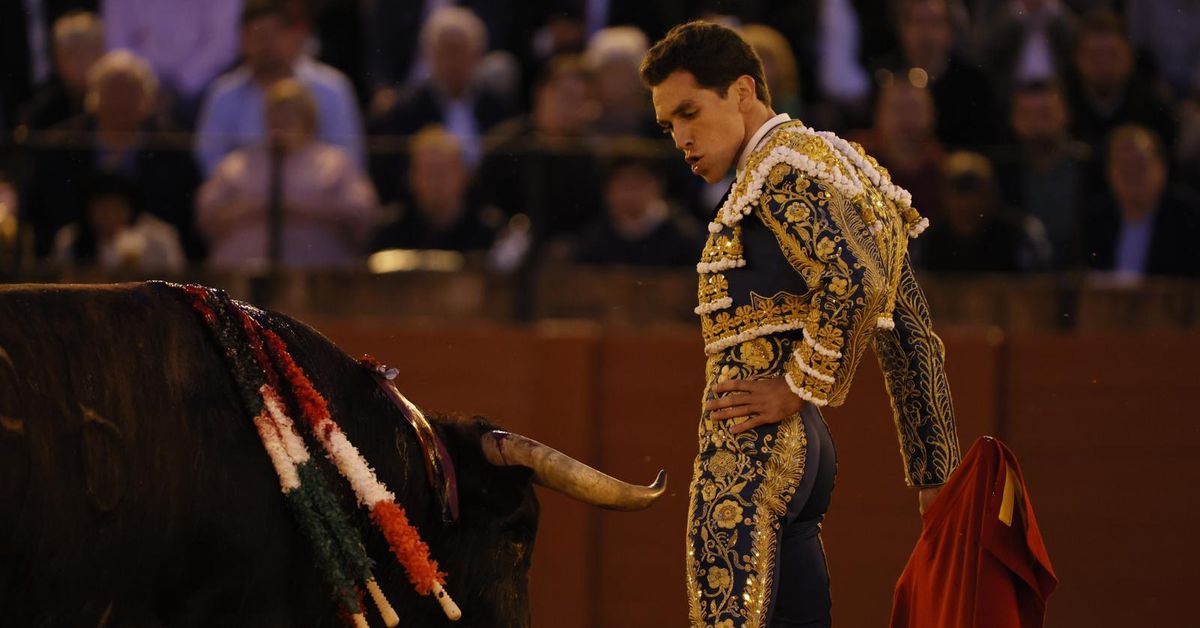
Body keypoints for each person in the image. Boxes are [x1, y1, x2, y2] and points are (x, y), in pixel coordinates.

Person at [641, 21, 961, 627]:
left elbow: (859, 283)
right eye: (668, 125)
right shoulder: (838, 160)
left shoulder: (782, 170)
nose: (680, 138)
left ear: (741, 90)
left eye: (689, 112)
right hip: (803, 453)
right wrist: (933, 466)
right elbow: (908, 322)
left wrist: (796, 387)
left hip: (752, 447)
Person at [196, 79, 378, 270]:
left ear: (309, 119)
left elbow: (362, 217)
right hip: (241, 279)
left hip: (320, 281)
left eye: (290, 114)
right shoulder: (235, 166)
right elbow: (206, 217)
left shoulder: (336, 165)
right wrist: (251, 209)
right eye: (275, 113)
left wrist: (302, 208)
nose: (280, 121)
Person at [194, 0, 364, 176]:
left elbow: (350, 159)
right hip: (244, 199)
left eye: (273, 34)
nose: (266, 45)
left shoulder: (332, 89)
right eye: (257, 36)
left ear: (294, 35)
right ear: (242, 38)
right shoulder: (224, 93)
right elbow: (210, 159)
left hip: (317, 198)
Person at [1083, 125, 1200, 278]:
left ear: (1162, 168)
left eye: (1140, 164)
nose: (1132, 172)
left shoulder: (1189, 216)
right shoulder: (1096, 218)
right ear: (1109, 172)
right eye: (1123, 165)